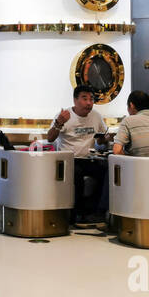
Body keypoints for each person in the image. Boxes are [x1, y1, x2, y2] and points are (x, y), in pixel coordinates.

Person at [46, 85, 110, 225]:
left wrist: (104, 139)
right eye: (84, 98)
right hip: (68, 160)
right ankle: (78, 215)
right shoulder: (65, 115)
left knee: (107, 171)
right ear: (75, 100)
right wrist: (58, 123)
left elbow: (103, 138)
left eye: (91, 99)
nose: (89, 103)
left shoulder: (96, 116)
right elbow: (50, 138)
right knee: (77, 173)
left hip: (89, 159)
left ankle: (97, 212)